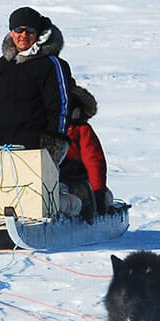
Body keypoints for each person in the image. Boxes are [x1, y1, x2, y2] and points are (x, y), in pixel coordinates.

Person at [0, 7, 74, 157]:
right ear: (11, 32)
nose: (24, 35)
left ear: (38, 33)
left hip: (35, 151)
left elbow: (59, 108)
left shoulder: (51, 65)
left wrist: (52, 147)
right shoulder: (0, 67)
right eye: (19, 30)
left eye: (30, 30)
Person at [62, 83, 113, 221]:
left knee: (105, 197)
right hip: (55, 180)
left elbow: (94, 162)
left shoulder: (82, 130)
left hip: (77, 181)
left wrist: (98, 192)